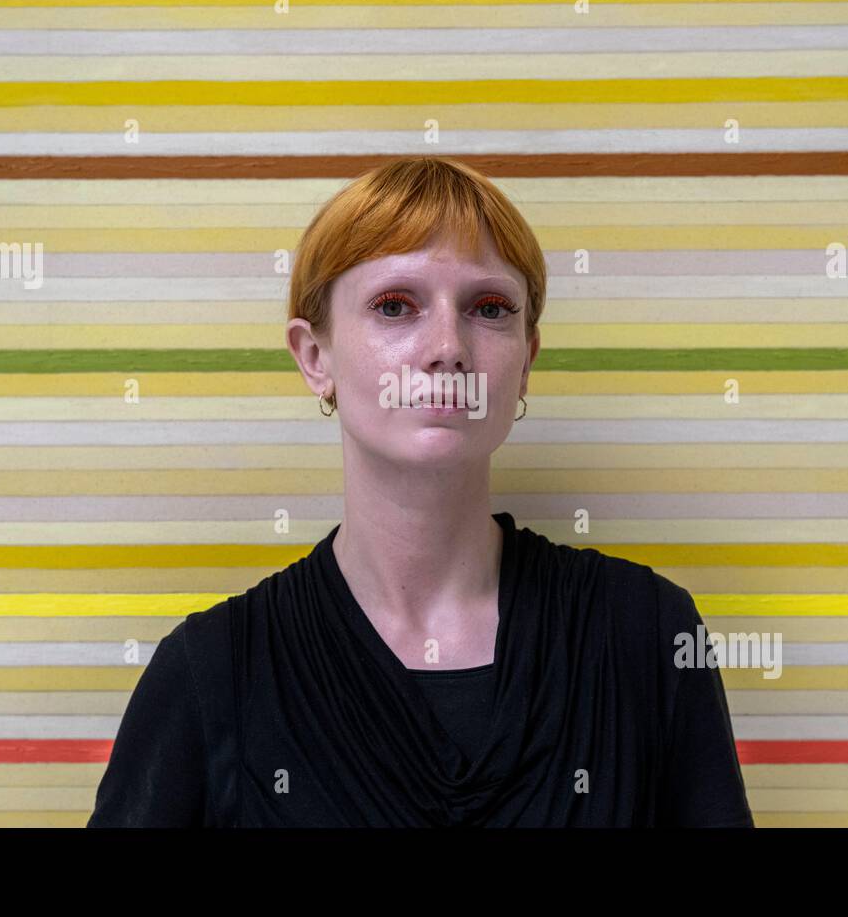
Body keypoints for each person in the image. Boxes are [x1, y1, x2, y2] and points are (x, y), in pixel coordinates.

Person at [87, 157, 753, 827]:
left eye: (489, 308)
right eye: (395, 306)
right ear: (314, 356)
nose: (446, 347)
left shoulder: (645, 634)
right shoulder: (212, 675)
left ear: (526, 359)